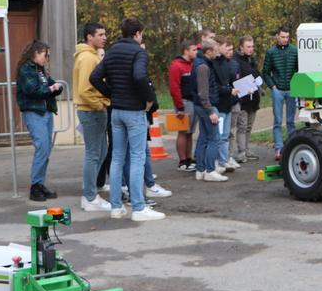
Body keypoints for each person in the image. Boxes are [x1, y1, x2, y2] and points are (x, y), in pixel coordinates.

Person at [89, 17, 165, 221]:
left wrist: (111, 93)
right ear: (137, 34)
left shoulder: (112, 51)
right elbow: (140, 76)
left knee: (117, 158)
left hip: (116, 111)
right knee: (138, 158)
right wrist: (148, 99)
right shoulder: (139, 52)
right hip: (134, 111)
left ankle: (116, 207)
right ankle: (139, 208)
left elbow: (94, 77)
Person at [15, 41, 62, 202]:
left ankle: (40, 184)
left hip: (46, 112)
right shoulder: (26, 69)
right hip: (34, 112)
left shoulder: (41, 70)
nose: (47, 59)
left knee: (46, 148)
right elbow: (33, 90)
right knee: (42, 146)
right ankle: (35, 186)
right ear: (35, 53)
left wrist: (56, 87)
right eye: (45, 55)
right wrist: (51, 89)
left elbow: (49, 85)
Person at [73, 22, 112, 212]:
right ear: (90, 37)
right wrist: (100, 104)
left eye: (105, 34)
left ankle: (91, 191)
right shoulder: (88, 58)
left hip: (92, 110)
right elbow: (85, 89)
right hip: (91, 110)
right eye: (100, 34)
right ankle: (89, 197)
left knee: (100, 153)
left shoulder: (90, 56)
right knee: (93, 154)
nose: (104, 37)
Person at [190, 38, 228, 182]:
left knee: (203, 137)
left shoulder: (200, 63)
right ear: (209, 51)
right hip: (206, 106)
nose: (218, 54)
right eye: (216, 51)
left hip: (200, 106)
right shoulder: (203, 67)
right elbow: (203, 93)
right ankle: (210, 170)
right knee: (214, 138)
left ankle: (200, 169)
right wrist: (211, 111)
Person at [261, 25, 298, 160]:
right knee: (277, 120)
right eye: (282, 37)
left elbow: (299, 70)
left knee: (291, 121)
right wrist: (273, 87)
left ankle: (292, 147)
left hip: (291, 90)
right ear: (277, 36)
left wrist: (295, 85)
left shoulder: (295, 51)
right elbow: (265, 72)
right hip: (278, 90)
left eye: (287, 37)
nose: (285, 39)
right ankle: (278, 149)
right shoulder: (271, 52)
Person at [168, 36, 200, 171]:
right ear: (186, 51)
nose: (196, 52)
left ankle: (189, 158)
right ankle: (182, 161)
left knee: (190, 132)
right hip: (184, 103)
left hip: (194, 102)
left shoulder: (194, 64)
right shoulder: (176, 66)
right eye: (193, 50)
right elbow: (174, 87)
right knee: (183, 132)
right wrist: (179, 107)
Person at [212, 38, 240, 173]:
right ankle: (217, 162)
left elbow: (230, 81)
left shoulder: (226, 63)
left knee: (225, 135)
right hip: (219, 105)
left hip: (228, 104)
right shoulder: (212, 64)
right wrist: (229, 90)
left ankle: (224, 161)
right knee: (219, 135)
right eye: (225, 46)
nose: (227, 49)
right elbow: (215, 86)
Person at [234, 35, 261, 163]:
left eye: (252, 46)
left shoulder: (252, 60)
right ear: (241, 47)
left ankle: (247, 149)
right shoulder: (235, 61)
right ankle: (241, 152)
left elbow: (257, 75)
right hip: (243, 99)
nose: (251, 49)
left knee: (249, 126)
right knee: (242, 126)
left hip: (254, 98)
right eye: (248, 47)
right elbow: (235, 79)